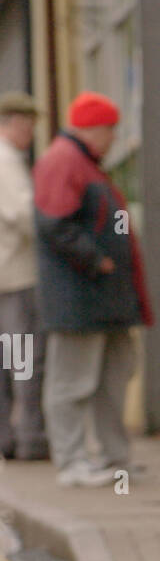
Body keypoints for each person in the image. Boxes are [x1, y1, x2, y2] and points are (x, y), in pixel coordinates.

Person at [33, 91, 153, 488]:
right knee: (71, 382)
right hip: (79, 298)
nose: (113, 139)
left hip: (103, 299)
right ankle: (71, 463)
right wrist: (95, 259)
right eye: (110, 131)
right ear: (93, 129)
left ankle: (115, 458)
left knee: (110, 379)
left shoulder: (84, 163)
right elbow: (55, 225)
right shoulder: (63, 160)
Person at [0, 91, 48, 461]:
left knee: (10, 361)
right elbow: (21, 214)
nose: (30, 133)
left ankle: (9, 438)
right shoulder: (7, 160)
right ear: (12, 123)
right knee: (25, 359)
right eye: (28, 126)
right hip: (17, 274)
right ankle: (30, 438)